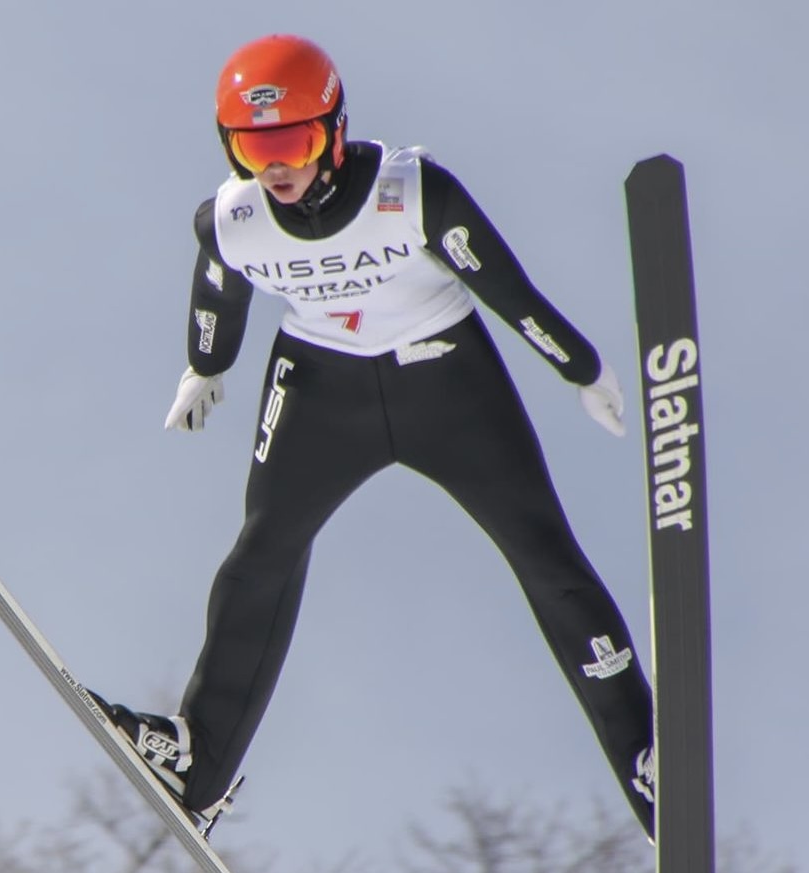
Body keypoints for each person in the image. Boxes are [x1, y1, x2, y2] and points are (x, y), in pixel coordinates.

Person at [91, 33, 656, 840]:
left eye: (293, 140)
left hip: (446, 377)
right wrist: (202, 368)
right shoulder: (234, 220)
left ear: (335, 129)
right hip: (323, 385)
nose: (276, 167)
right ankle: (198, 759)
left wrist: (581, 367)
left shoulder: (412, 191)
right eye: (254, 148)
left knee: (543, 553)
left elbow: (507, 288)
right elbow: (218, 302)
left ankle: (648, 764)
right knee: (263, 551)